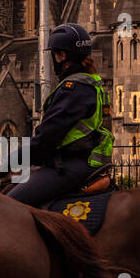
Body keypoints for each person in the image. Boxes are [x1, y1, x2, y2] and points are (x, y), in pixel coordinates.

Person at [8, 22, 113, 208]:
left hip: (72, 166)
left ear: (62, 55)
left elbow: (47, 137)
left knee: (7, 205)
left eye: (54, 54)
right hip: (88, 162)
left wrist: (12, 160)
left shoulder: (74, 89)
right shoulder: (93, 84)